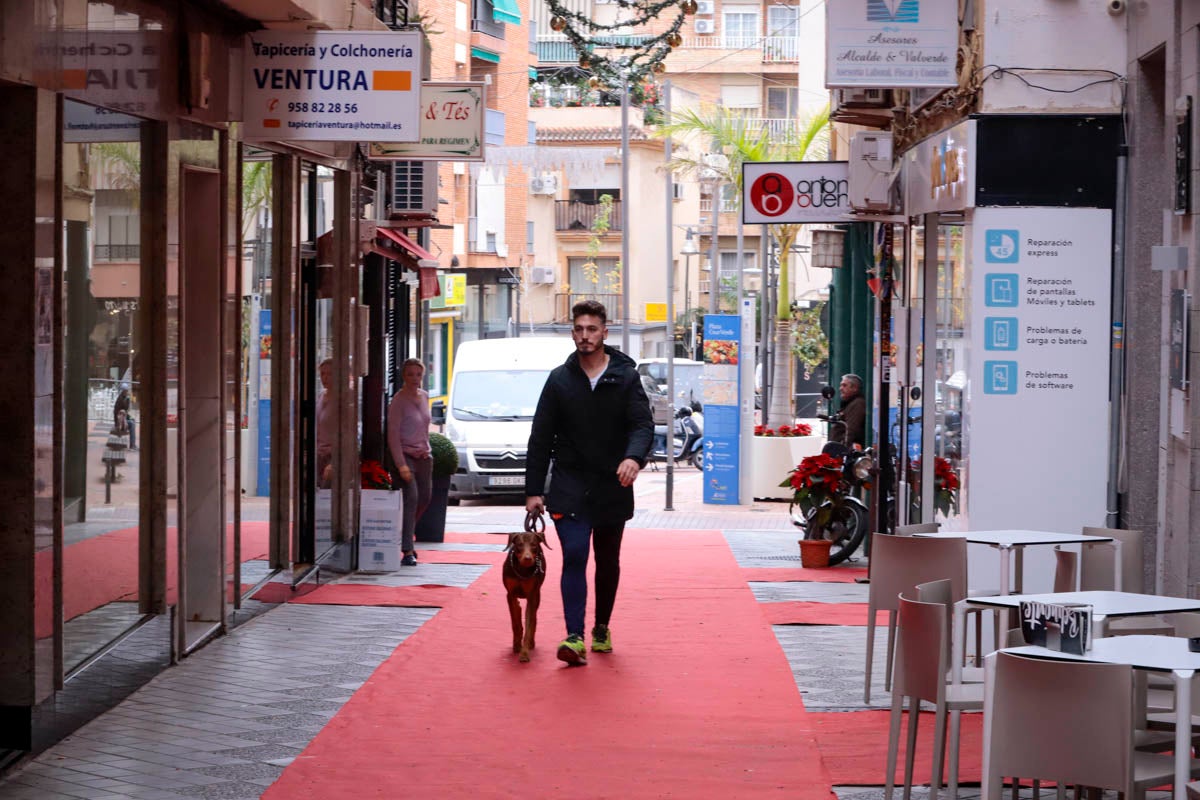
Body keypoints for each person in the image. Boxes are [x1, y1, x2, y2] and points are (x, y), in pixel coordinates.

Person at [525, 300, 654, 666]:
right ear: (572, 333)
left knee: (607, 560)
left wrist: (633, 458)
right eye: (579, 329)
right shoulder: (559, 379)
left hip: (613, 483)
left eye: (592, 329)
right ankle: (574, 636)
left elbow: (642, 425)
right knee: (575, 555)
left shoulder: (625, 377)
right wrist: (534, 490)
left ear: (604, 332)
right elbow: (541, 437)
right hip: (569, 483)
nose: (585, 336)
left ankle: (601, 627)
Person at [387, 357, 433, 567]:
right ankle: (407, 550)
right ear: (403, 376)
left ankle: (405, 531)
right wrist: (401, 465)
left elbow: (423, 427)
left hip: (424, 455)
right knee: (411, 497)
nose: (415, 378)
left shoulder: (424, 396)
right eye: (410, 374)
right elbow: (393, 435)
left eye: (418, 374)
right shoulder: (398, 400)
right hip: (405, 455)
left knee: (425, 498)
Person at [316, 359, 335, 488]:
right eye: (322, 374)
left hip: (333, 456)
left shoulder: (343, 398)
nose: (325, 378)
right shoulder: (321, 396)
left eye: (329, 374)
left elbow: (347, 434)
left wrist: (334, 462)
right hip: (319, 455)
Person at [836, 373, 866, 449]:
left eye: (844, 385)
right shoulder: (850, 403)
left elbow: (851, 429)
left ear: (855, 388)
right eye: (841, 385)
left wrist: (842, 449)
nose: (840, 388)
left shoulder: (858, 404)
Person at [113, 383, 136, 450]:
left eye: (127, 390)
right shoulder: (121, 399)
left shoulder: (124, 398)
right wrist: (117, 424)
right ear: (123, 391)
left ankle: (133, 444)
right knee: (132, 424)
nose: (127, 392)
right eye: (126, 391)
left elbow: (125, 411)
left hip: (122, 419)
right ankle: (132, 445)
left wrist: (130, 417)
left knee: (133, 420)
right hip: (119, 422)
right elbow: (120, 412)